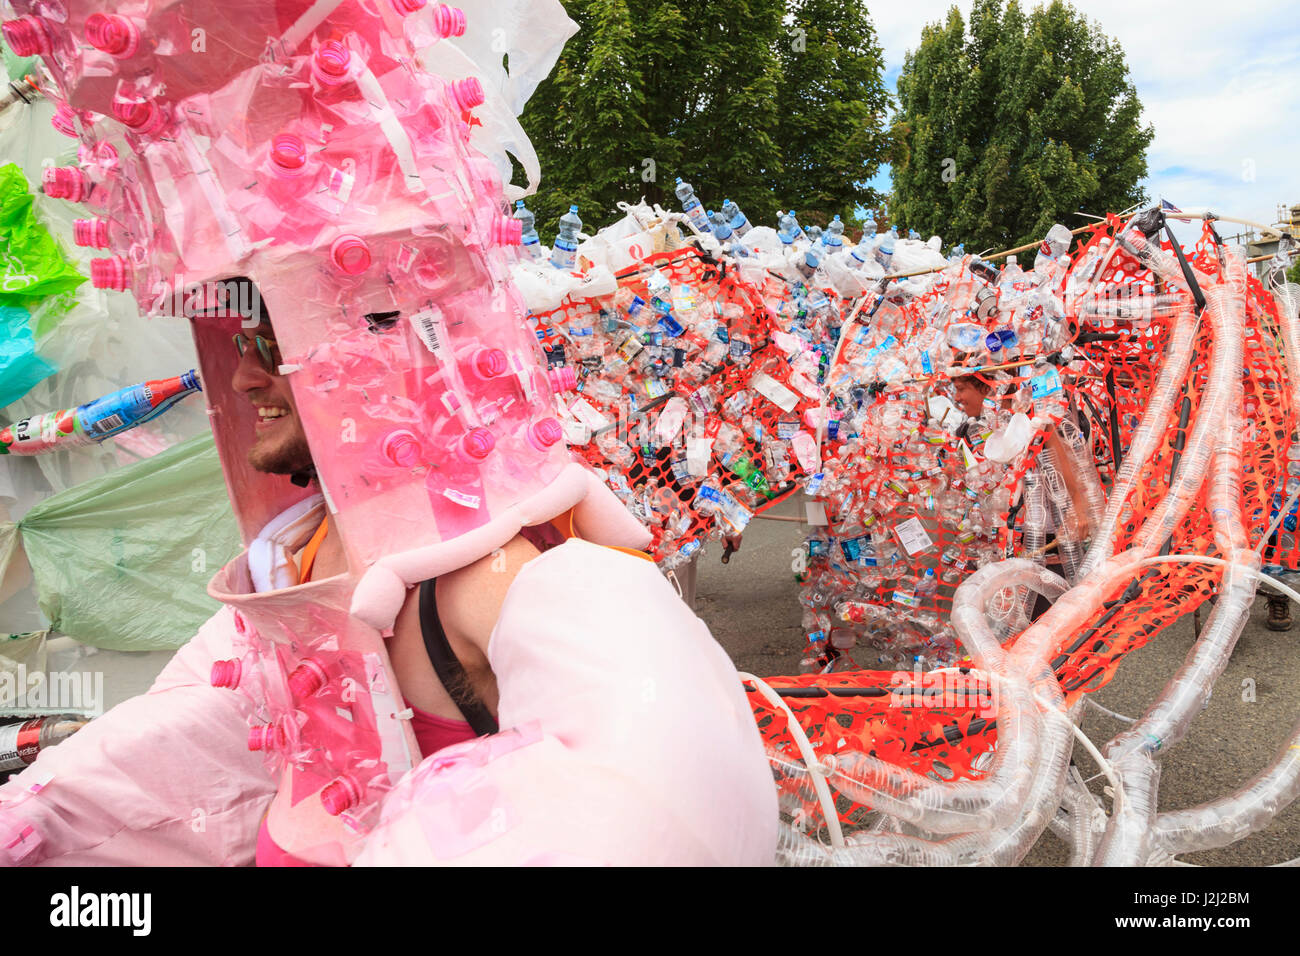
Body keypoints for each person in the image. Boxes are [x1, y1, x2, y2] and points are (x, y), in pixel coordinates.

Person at [0, 0, 778, 867]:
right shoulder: (296, 558)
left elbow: (661, 813)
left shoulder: (515, 585)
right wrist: (36, 818)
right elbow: (176, 739)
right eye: (230, 339)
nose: (244, 375)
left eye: (272, 338)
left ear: (378, 342)